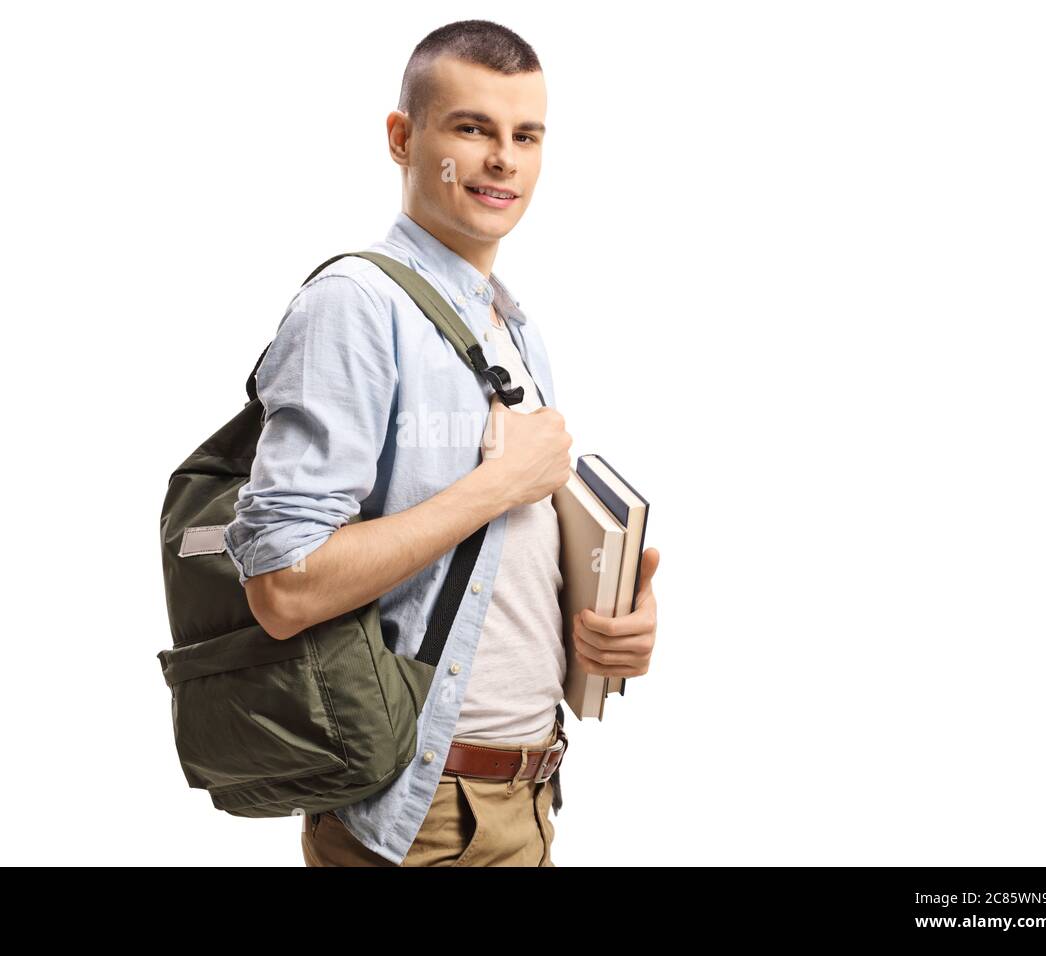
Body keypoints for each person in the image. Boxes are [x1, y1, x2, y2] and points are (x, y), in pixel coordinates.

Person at [227, 19, 660, 867]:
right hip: (419, 822)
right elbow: (283, 585)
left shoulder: (511, 325)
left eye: (525, 135)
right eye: (473, 128)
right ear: (403, 137)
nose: (503, 159)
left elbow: (482, 579)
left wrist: (607, 632)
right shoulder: (357, 305)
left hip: (525, 799)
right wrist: (497, 486)